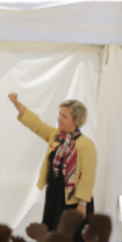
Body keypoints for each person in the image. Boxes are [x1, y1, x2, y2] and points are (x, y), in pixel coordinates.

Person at [8, 93, 96, 234]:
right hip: (54, 195)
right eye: (59, 114)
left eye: (64, 116)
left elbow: (87, 176)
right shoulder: (56, 136)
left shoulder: (86, 144)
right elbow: (36, 124)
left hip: (73, 201)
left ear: (75, 119)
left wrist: (82, 204)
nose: (59, 118)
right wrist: (17, 103)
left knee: (70, 240)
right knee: (52, 237)